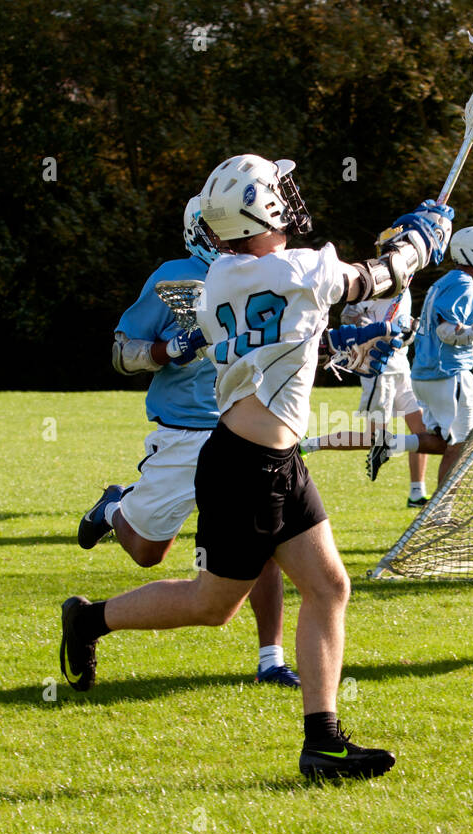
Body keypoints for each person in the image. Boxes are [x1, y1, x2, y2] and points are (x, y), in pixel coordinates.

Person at [61, 154, 452, 779]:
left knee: (329, 588)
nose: (291, 199)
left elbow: (311, 317)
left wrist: (402, 255)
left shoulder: (220, 280)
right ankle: (89, 618)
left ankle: (322, 743)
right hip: (247, 467)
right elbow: (378, 276)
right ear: (263, 206)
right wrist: (423, 238)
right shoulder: (301, 269)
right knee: (213, 606)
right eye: (280, 190)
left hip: (272, 458)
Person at [74, 196, 298, 686]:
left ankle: (271, 660)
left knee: (264, 544)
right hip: (184, 433)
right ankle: (114, 508)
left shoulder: (261, 271)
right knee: (148, 552)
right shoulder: (173, 276)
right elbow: (121, 353)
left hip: (246, 426)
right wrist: (165, 349)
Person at [300, 285, 448, 506]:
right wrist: (373, 327)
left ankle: (416, 493)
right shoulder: (382, 280)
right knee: (373, 438)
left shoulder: (407, 283)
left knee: (422, 431)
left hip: (401, 367)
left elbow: (402, 325)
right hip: (379, 367)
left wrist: (409, 329)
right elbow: (347, 316)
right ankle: (306, 445)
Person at [410, 225, 473, 489]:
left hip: (428, 374)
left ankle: (386, 444)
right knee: (460, 446)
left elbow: (441, 335)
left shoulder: (446, 281)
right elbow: (448, 332)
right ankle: (440, 513)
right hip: (447, 377)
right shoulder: (463, 284)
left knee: (443, 442)